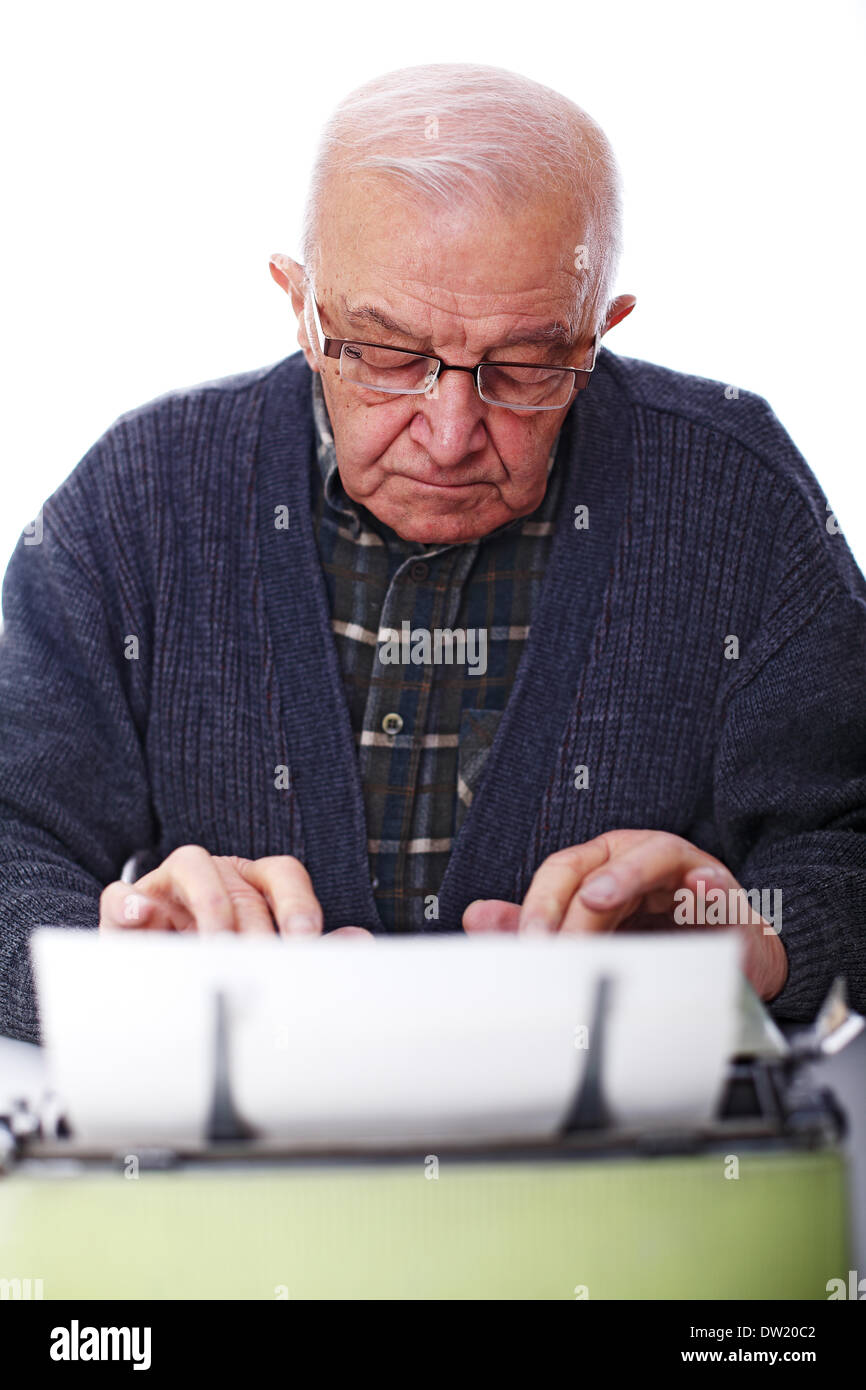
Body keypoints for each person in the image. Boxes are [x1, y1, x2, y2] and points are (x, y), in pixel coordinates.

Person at [1, 62, 864, 1045]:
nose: (449, 431)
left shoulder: (736, 492)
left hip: (617, 1173)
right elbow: (13, 835)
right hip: (235, 1172)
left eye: (528, 366)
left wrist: (751, 942)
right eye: (385, 354)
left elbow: (841, 851)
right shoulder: (136, 497)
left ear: (600, 330)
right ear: (299, 305)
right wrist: (125, 977)